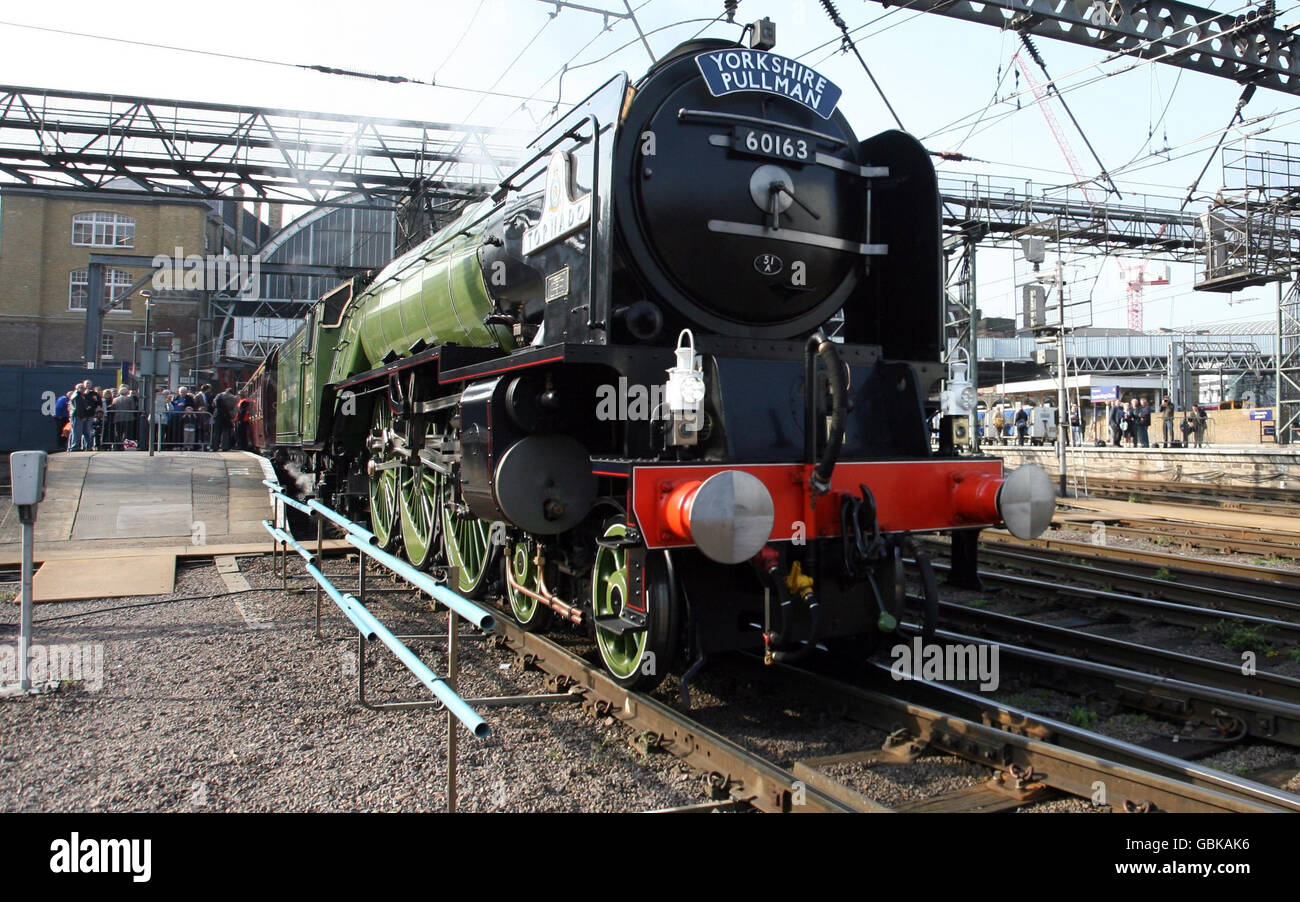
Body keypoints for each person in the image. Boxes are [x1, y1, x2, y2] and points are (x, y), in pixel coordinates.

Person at [70, 382, 97, 451]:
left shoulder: (80, 395)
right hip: (77, 416)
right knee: (77, 432)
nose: (83, 389)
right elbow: (78, 408)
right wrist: (82, 416)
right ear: (77, 388)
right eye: (81, 388)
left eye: (83, 388)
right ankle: (74, 447)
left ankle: (85, 446)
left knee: (83, 432)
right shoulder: (77, 396)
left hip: (79, 416)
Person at [210, 386, 238, 452]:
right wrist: (232, 417)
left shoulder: (218, 395)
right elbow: (235, 409)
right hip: (227, 416)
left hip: (218, 415)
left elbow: (213, 405)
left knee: (216, 432)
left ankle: (214, 447)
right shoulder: (233, 398)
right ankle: (225, 447)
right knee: (226, 432)